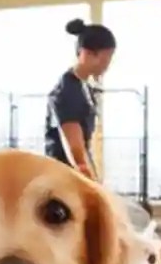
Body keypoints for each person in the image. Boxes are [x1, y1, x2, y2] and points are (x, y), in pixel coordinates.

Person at [44, 19, 116, 181]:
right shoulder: (67, 89)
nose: (107, 65)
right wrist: (87, 178)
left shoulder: (84, 88)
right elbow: (75, 148)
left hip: (74, 175)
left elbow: (84, 145)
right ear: (87, 53)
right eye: (106, 59)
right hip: (62, 177)